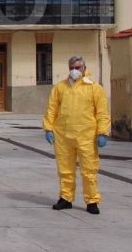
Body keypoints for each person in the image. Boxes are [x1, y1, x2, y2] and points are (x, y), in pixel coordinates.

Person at [43, 55, 110, 215]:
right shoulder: (60, 87)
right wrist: (48, 128)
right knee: (65, 169)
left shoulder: (94, 88)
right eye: (71, 68)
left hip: (86, 134)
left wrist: (102, 132)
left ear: (84, 68)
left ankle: (92, 200)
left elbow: (102, 112)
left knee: (89, 169)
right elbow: (51, 108)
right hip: (63, 134)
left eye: (77, 67)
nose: (74, 71)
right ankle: (66, 198)